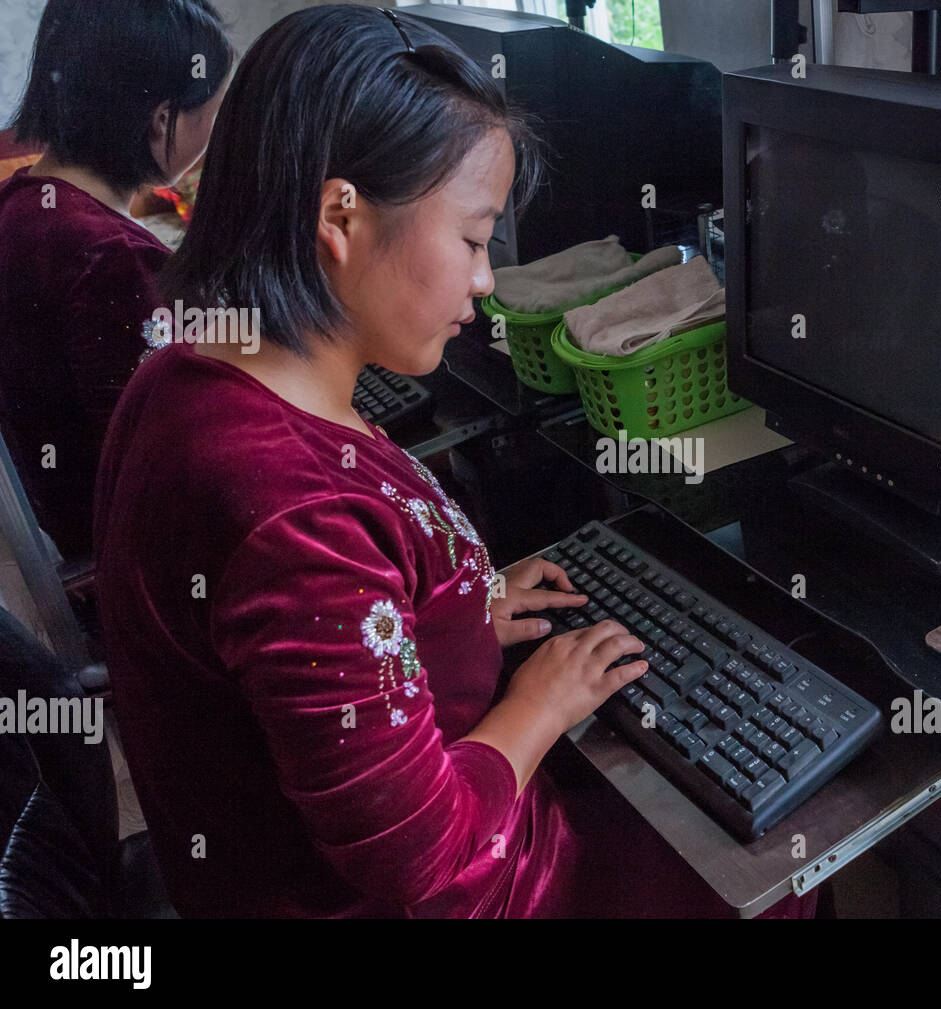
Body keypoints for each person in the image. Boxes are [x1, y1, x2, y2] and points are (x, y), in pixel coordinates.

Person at [94, 5, 816, 919]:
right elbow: (429, 870)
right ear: (339, 217)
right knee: (772, 866)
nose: (484, 279)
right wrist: (536, 712)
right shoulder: (286, 507)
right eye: (473, 240)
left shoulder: (199, 371)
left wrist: (450, 615)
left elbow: (331, 623)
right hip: (446, 889)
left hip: (287, 850)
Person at [0, 0, 233, 559]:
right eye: (213, 114)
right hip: (128, 563)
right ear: (161, 120)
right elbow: (172, 464)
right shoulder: (110, 257)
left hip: (65, 527)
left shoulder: (21, 204)